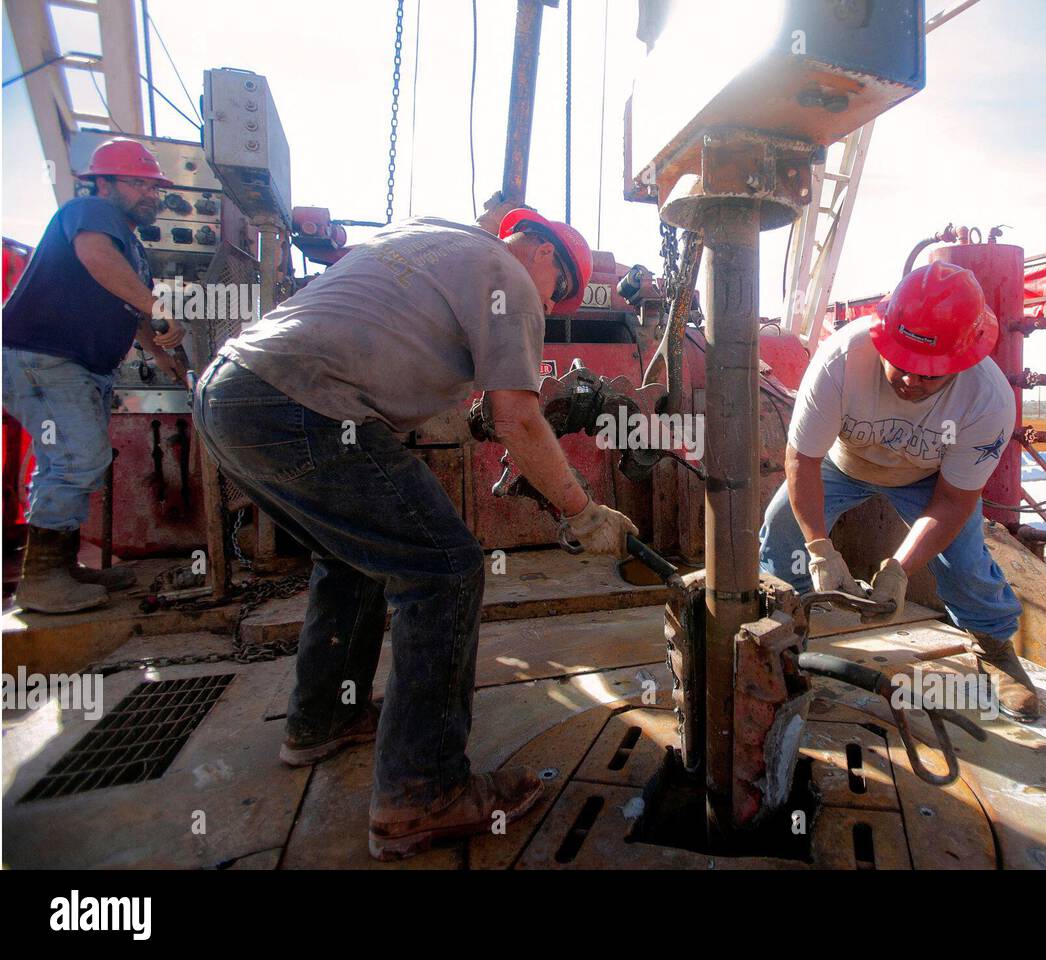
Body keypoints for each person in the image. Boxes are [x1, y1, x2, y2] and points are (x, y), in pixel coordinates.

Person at [192, 208, 638, 860]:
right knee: (445, 570)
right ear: (539, 250)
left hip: (231, 396)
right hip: (302, 402)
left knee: (354, 556)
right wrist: (582, 511)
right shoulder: (507, 277)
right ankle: (423, 793)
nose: (548, 302)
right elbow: (516, 415)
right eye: (555, 288)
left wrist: (510, 428)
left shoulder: (425, 239)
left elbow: (477, 400)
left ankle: (323, 717)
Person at [759, 261, 1040, 720]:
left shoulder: (988, 399)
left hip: (929, 477)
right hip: (843, 463)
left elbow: (953, 500)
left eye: (930, 375)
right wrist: (819, 550)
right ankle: (781, 638)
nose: (911, 380)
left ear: (961, 361)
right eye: (904, 364)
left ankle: (993, 647)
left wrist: (899, 570)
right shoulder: (841, 359)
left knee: (966, 562)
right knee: (781, 527)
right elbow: (803, 461)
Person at [3, 138, 186, 613]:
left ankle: (59, 566)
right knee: (77, 455)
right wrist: (158, 306)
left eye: (154, 187)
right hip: (43, 355)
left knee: (71, 457)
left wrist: (162, 356)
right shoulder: (91, 213)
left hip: (76, 365)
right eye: (140, 184)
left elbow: (131, 305)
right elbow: (97, 259)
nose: (152, 195)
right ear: (103, 183)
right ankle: (42, 579)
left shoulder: (134, 247)